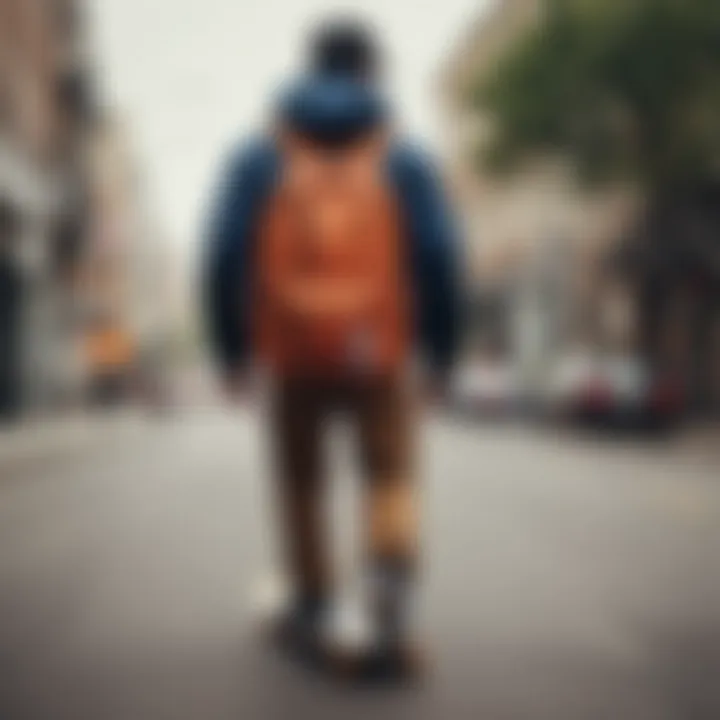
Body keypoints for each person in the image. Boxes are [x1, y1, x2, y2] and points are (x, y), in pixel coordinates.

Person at [203, 18, 460, 681]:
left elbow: (222, 254)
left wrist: (230, 353)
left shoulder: (259, 153)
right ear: (372, 72)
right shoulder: (403, 155)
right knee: (390, 477)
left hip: (291, 353)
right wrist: (443, 353)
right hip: (379, 350)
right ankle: (387, 586)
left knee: (300, 483)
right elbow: (439, 256)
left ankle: (313, 604)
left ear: (308, 66)